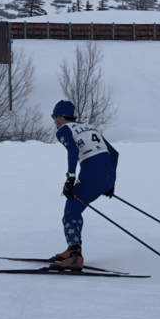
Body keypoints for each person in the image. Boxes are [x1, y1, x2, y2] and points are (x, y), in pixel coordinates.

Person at [49, 100, 119, 271]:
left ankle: (75, 257)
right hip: (107, 176)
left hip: (91, 175)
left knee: (71, 211)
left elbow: (72, 151)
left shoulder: (64, 130)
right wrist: (110, 183)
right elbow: (114, 154)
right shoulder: (89, 127)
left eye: (54, 117)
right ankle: (71, 249)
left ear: (60, 117)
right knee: (74, 209)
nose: (54, 122)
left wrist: (70, 178)